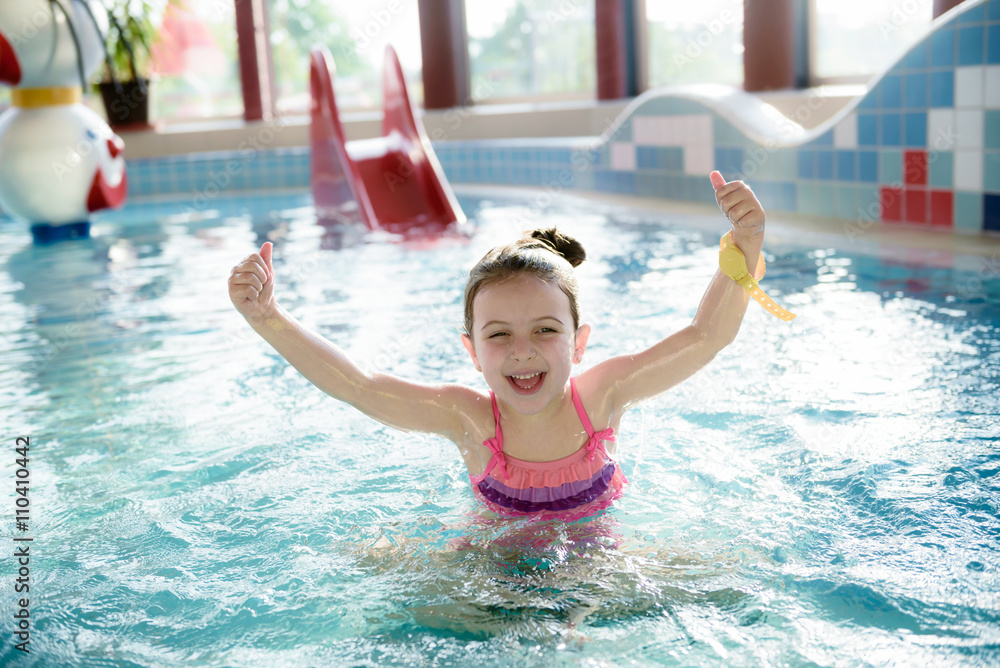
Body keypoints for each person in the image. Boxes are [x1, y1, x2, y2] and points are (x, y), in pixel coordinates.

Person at [228, 170, 770, 523]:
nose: (522, 350)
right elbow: (359, 387)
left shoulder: (603, 395)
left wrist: (745, 243)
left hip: (590, 562)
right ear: (472, 351)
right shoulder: (469, 419)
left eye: (545, 330)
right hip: (489, 564)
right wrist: (269, 318)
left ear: (579, 343)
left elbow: (706, 337)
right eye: (499, 334)